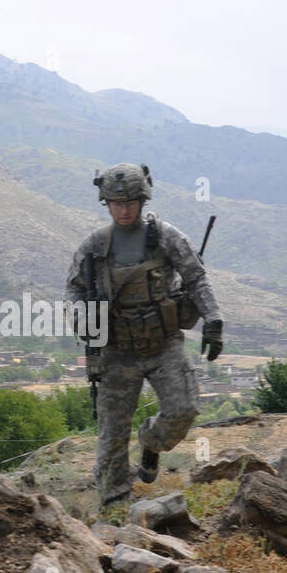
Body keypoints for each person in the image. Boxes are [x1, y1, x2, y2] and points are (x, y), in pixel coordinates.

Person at [66, 163, 222, 509]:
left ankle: (151, 442)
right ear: (106, 203)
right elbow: (73, 289)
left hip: (163, 343)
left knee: (184, 409)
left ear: (143, 200)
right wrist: (79, 315)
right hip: (116, 349)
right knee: (112, 436)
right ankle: (115, 505)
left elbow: (196, 277)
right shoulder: (95, 245)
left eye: (131, 202)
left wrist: (213, 319)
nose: (124, 210)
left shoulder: (166, 237)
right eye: (116, 203)